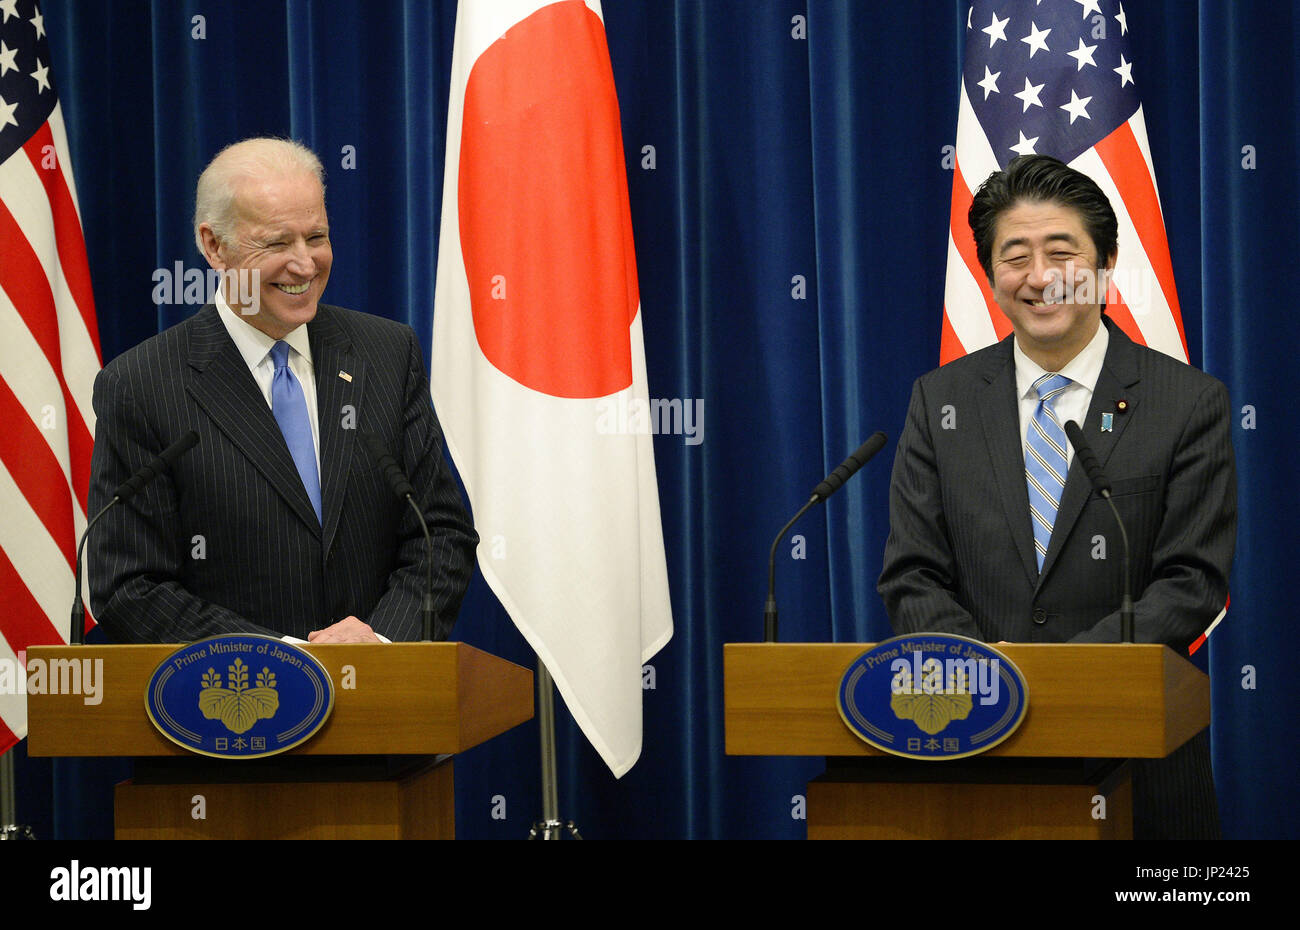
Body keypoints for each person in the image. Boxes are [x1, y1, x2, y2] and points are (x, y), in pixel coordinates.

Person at [877, 154, 1236, 839]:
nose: (1039, 277)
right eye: (1015, 256)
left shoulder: (1188, 403)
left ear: (1105, 262)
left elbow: (1191, 581)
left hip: (1141, 768)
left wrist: (1058, 674)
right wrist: (988, 677)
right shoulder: (941, 401)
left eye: (1061, 251)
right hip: (975, 755)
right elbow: (912, 573)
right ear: (989, 275)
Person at [88, 138, 478, 644]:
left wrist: (381, 643)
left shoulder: (386, 353)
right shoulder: (141, 385)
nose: (304, 264)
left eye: (316, 236)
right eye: (276, 244)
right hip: (234, 704)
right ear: (213, 246)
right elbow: (129, 586)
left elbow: (440, 533)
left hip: (384, 700)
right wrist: (284, 661)